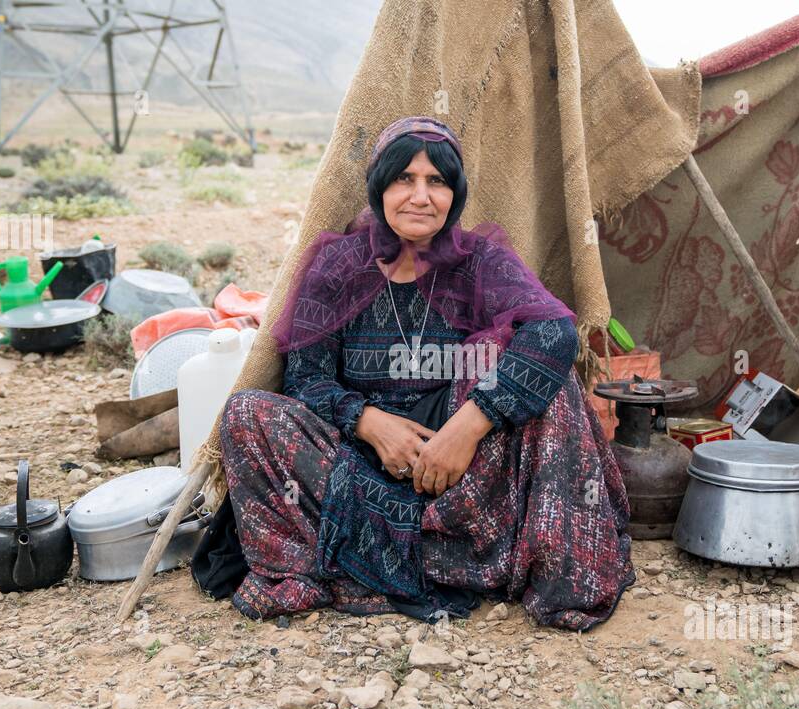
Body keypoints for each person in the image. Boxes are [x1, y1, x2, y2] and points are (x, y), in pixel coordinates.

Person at [219, 116, 634, 630]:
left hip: (464, 472)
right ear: (380, 188)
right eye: (404, 179)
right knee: (246, 413)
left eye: (436, 181)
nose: (420, 196)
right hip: (363, 461)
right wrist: (370, 422)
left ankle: (538, 558)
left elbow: (555, 332)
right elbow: (306, 379)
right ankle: (332, 564)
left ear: (454, 194)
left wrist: (468, 426)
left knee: (546, 377)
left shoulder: (479, 260)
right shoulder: (339, 267)